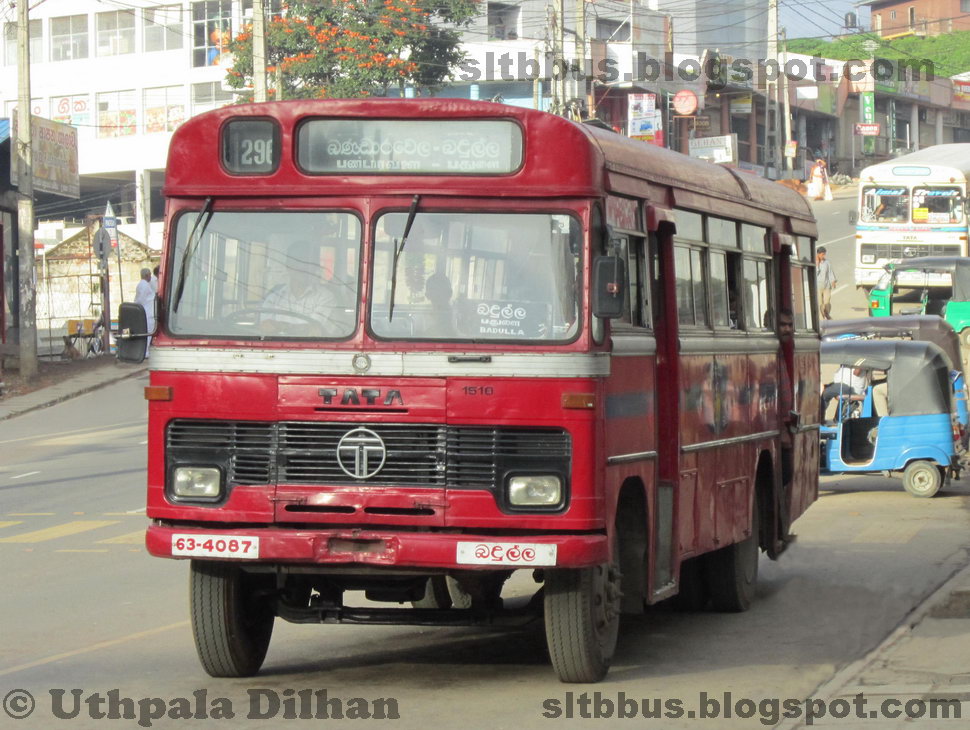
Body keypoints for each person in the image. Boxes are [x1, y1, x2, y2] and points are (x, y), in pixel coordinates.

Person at [260, 240, 342, 336]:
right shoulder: (275, 296)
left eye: (307, 263)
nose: (302, 267)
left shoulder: (325, 297)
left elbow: (314, 330)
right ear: (288, 266)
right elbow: (265, 326)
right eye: (296, 262)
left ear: (315, 268)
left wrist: (281, 326)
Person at [134, 267, 156, 356]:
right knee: (148, 332)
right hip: (147, 312)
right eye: (150, 275)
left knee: (149, 332)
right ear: (147, 275)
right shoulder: (144, 285)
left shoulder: (144, 284)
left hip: (148, 311)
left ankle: (146, 350)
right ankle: (145, 351)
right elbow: (140, 300)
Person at [816, 246, 837, 321]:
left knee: (827, 302)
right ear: (818, 254)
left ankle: (826, 313)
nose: (823, 256)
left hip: (827, 286)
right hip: (818, 287)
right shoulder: (814, 263)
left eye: (824, 254)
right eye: (822, 254)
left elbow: (830, 272)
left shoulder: (827, 262)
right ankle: (821, 318)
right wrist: (817, 263)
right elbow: (815, 273)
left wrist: (833, 281)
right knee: (820, 303)